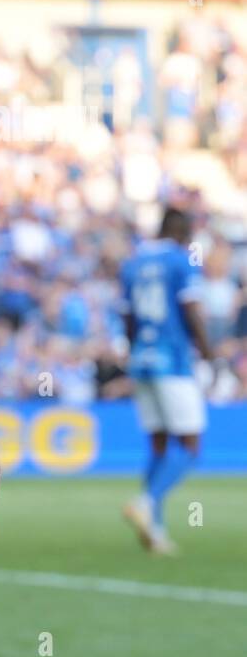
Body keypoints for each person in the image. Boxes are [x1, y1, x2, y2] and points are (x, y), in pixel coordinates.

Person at [119, 207, 214, 555]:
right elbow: (191, 310)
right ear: (182, 231)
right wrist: (208, 353)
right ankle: (147, 503)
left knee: (159, 444)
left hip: (142, 360)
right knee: (190, 446)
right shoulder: (180, 260)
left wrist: (135, 353)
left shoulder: (132, 264)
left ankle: (155, 530)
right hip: (172, 361)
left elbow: (127, 318)